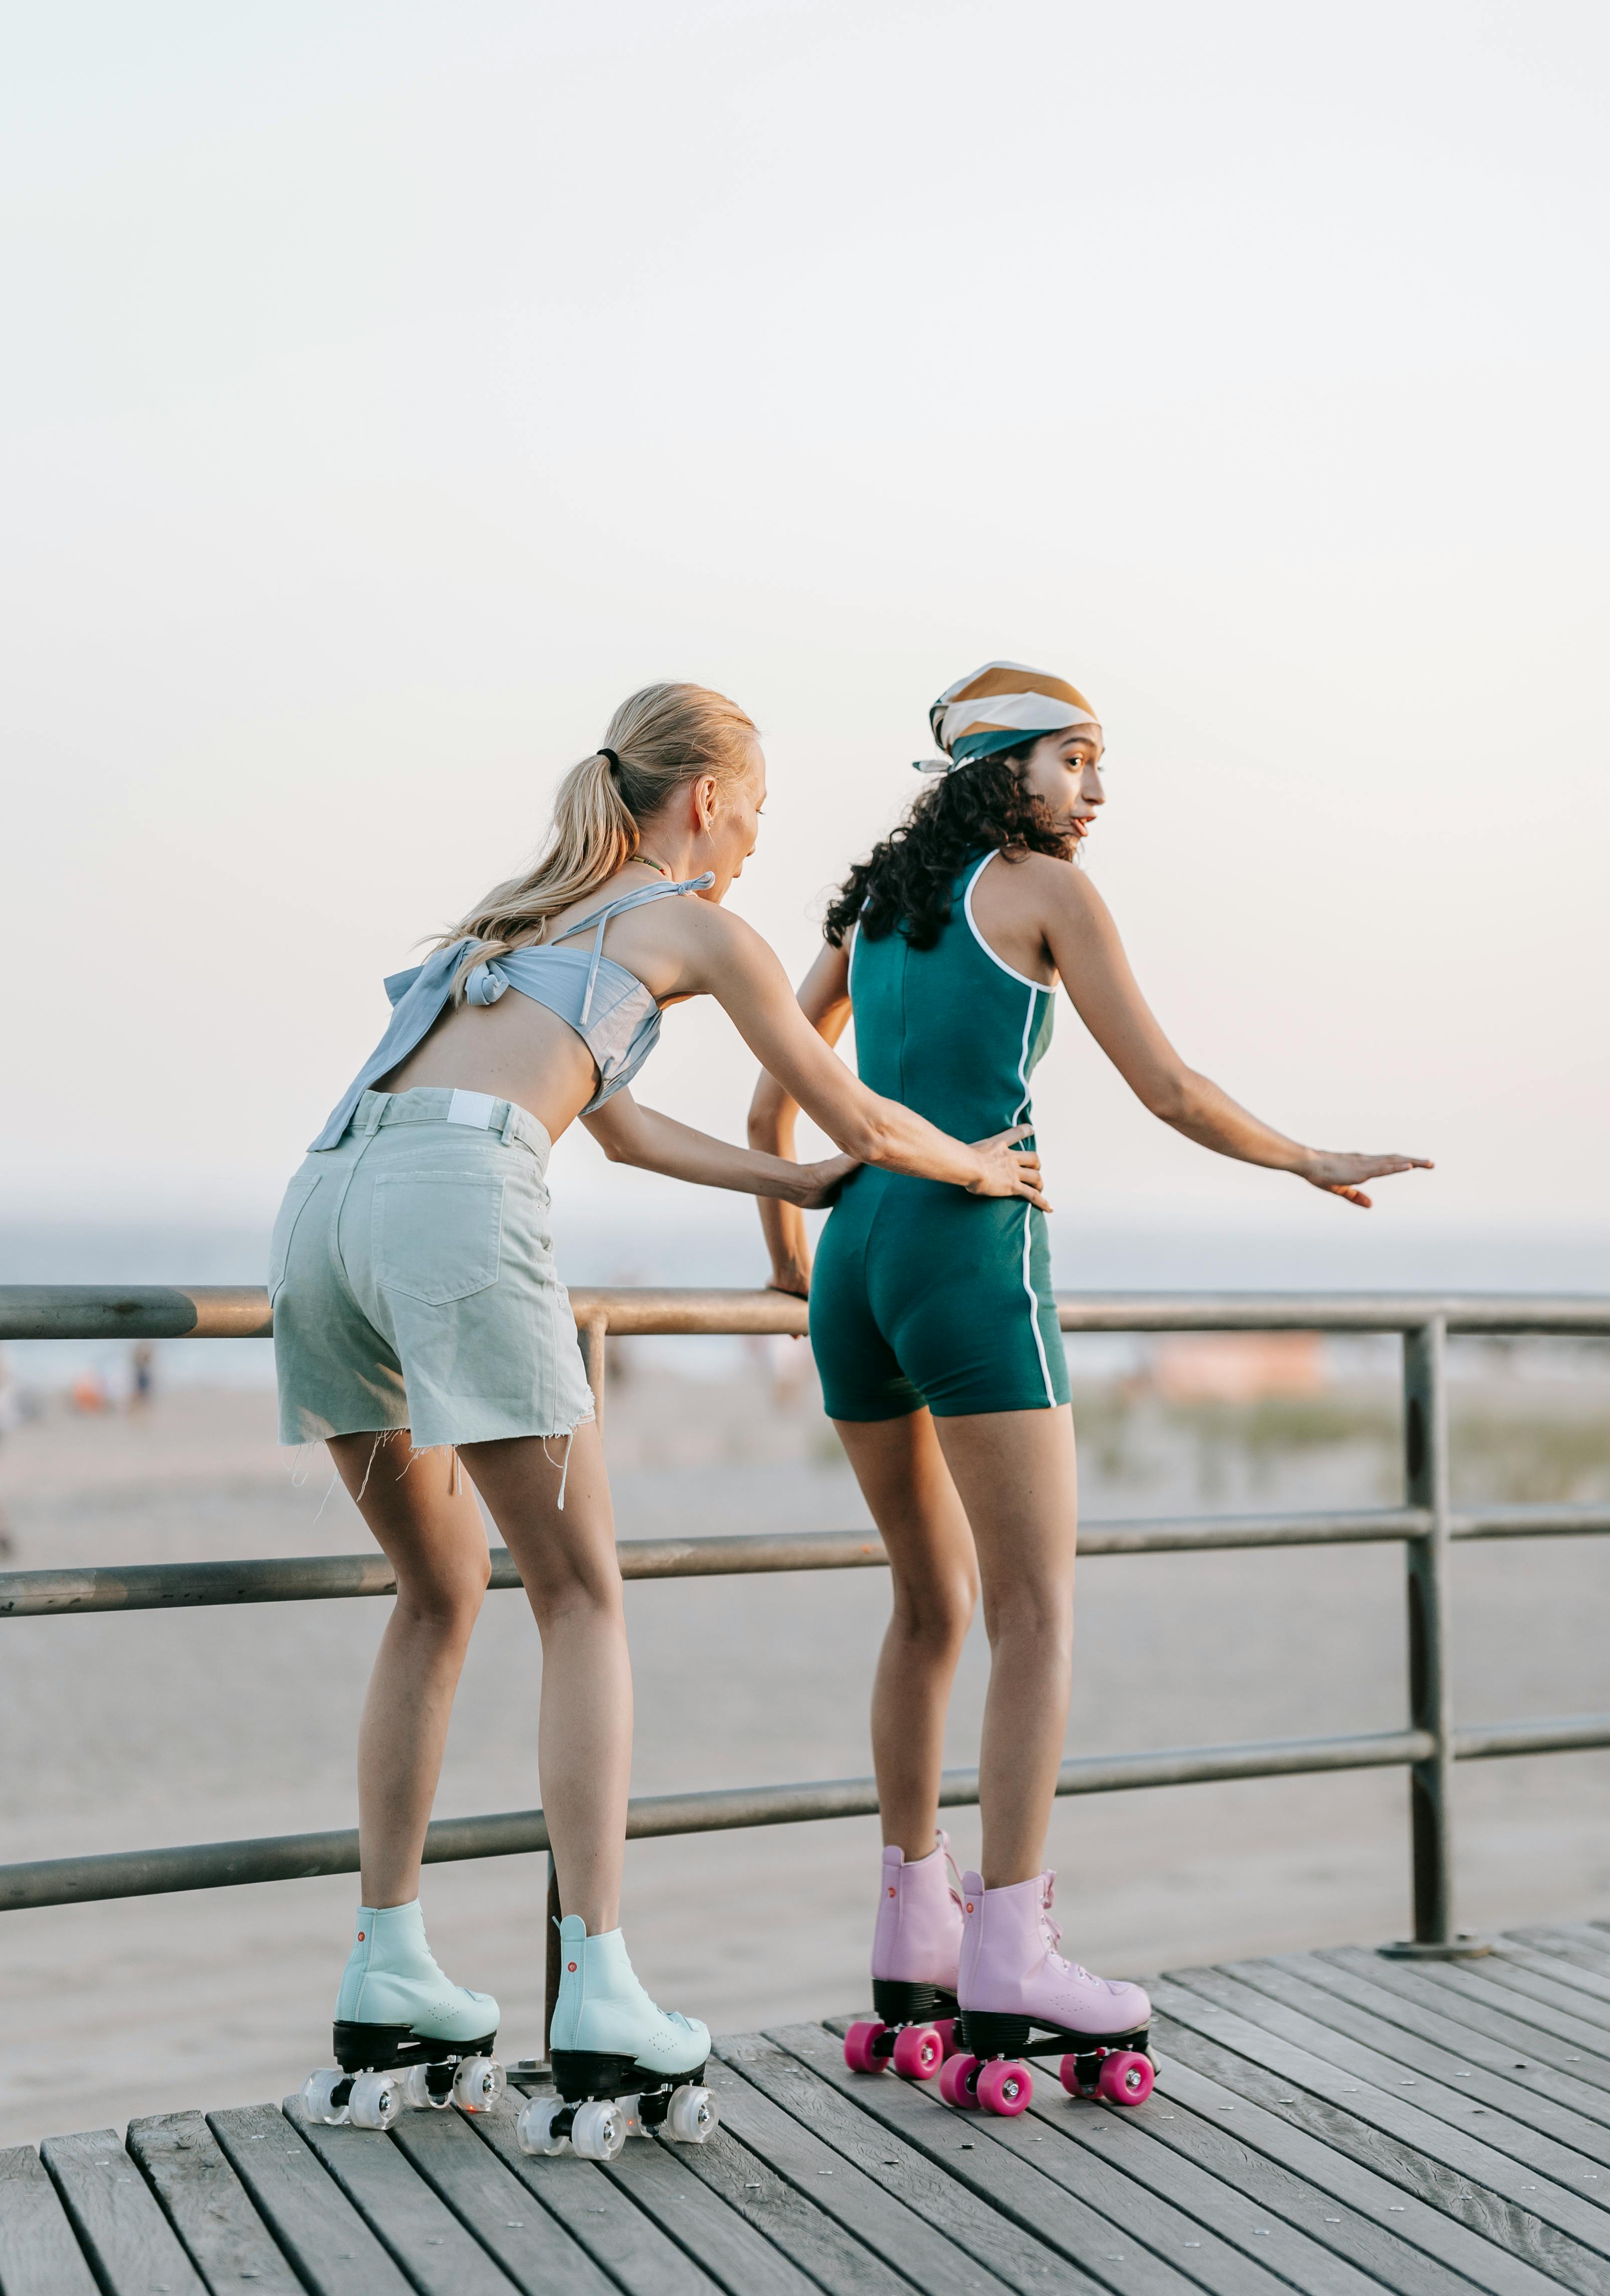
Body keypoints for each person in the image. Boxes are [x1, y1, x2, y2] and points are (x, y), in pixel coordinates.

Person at [270, 681, 1044, 2132]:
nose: (753, 845)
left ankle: (390, 1972)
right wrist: (974, 1169)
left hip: (326, 1207)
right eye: (752, 815)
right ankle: (599, 1988)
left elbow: (613, 1122)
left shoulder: (516, 923)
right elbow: (855, 1105)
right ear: (703, 801)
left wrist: (788, 1188)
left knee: (437, 1596)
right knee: (580, 1598)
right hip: (452, 1204)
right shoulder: (689, 920)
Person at [748, 660, 1429, 2101]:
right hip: (974, 1251)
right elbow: (1171, 1091)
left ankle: (910, 1930)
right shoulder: (1046, 895)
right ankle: (1012, 1952)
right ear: (1009, 770)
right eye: (1078, 762)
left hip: (857, 1254)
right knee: (1036, 1608)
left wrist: (792, 1263)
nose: (1097, 793)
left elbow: (770, 1101)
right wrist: (1309, 1156)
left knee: (926, 1606)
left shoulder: (873, 911)